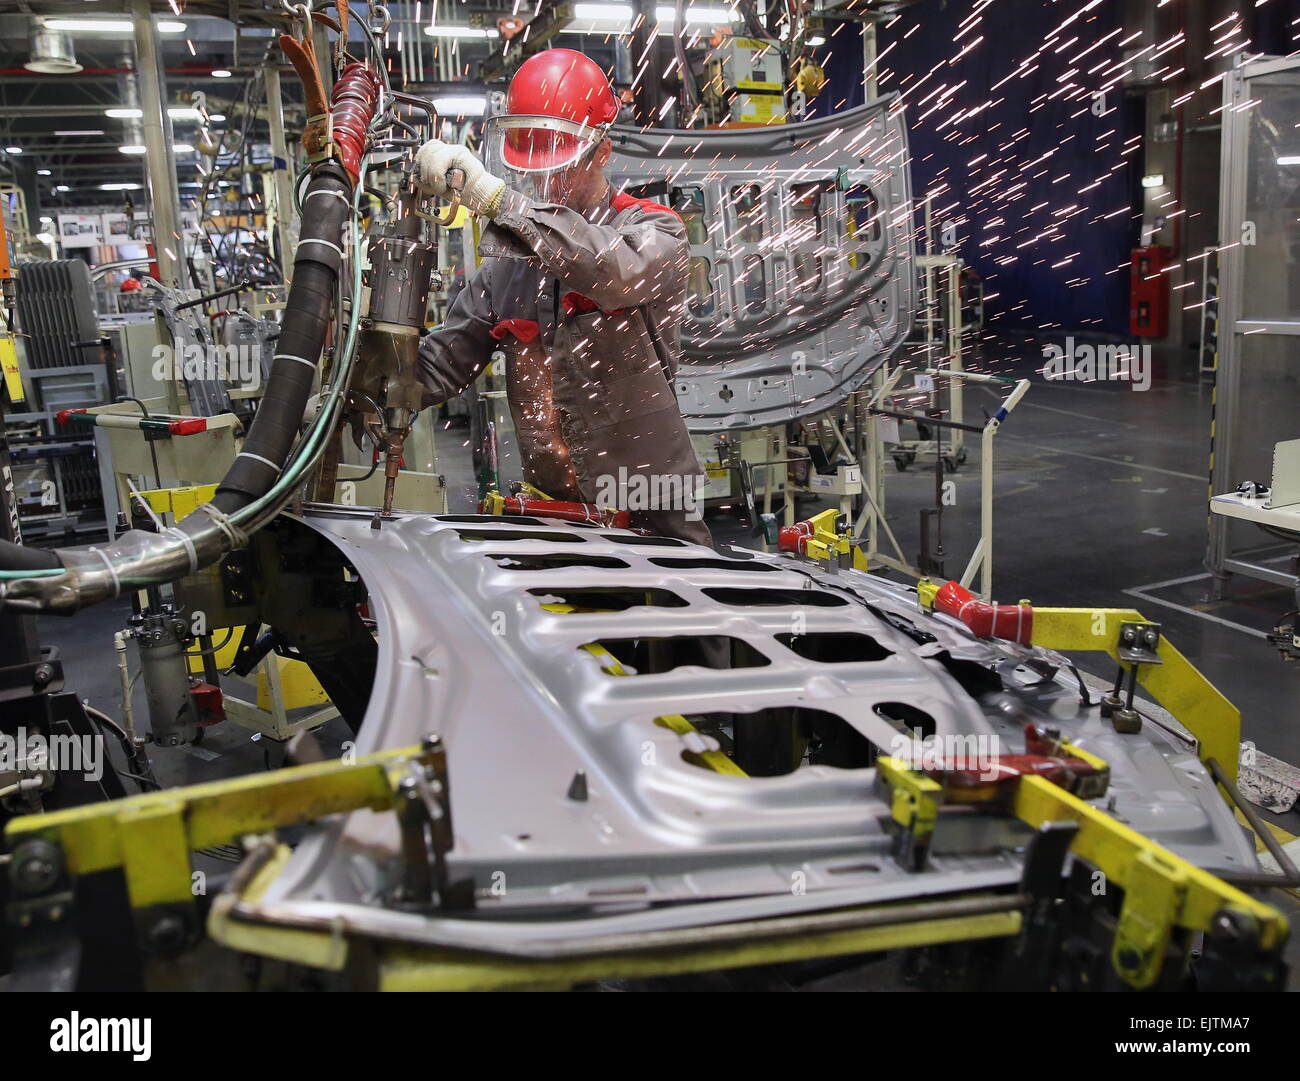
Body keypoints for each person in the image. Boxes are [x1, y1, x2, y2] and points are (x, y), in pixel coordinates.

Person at [412, 48, 710, 545]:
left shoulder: (655, 230)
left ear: (602, 151)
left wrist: (497, 200)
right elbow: (442, 365)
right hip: (554, 503)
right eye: (536, 168)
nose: (550, 181)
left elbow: (610, 270)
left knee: (684, 613)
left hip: (649, 493)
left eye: (562, 164)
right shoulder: (506, 267)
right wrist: (365, 382)